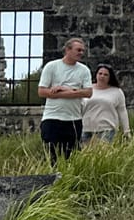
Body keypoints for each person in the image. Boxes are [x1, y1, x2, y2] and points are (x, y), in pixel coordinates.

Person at [37, 37, 93, 167]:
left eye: (83, 51)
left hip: (73, 119)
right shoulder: (52, 66)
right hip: (52, 118)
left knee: (72, 157)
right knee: (52, 157)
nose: (81, 53)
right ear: (67, 50)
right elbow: (42, 92)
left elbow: (88, 93)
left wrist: (65, 89)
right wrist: (73, 93)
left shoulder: (84, 70)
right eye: (78, 50)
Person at [81, 63, 131, 145]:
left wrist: (126, 130)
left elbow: (122, 111)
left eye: (105, 74)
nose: (102, 76)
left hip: (107, 129)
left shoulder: (117, 92)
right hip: (86, 128)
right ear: (96, 75)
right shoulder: (87, 89)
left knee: (102, 154)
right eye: (100, 73)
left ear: (110, 77)